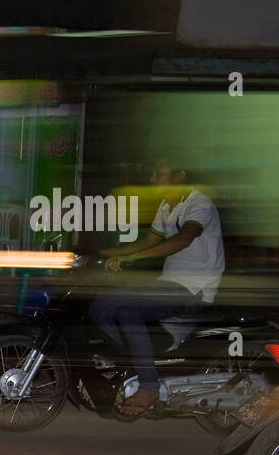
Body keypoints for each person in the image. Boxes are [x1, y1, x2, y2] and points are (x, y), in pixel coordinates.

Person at [90, 161, 225, 417]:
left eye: (159, 173)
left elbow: (183, 239)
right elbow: (148, 241)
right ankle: (136, 362)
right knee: (100, 307)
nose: (153, 178)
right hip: (169, 284)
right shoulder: (166, 206)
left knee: (129, 313)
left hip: (194, 288)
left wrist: (134, 258)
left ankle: (149, 385)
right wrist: (96, 254)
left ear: (180, 175)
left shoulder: (200, 203)